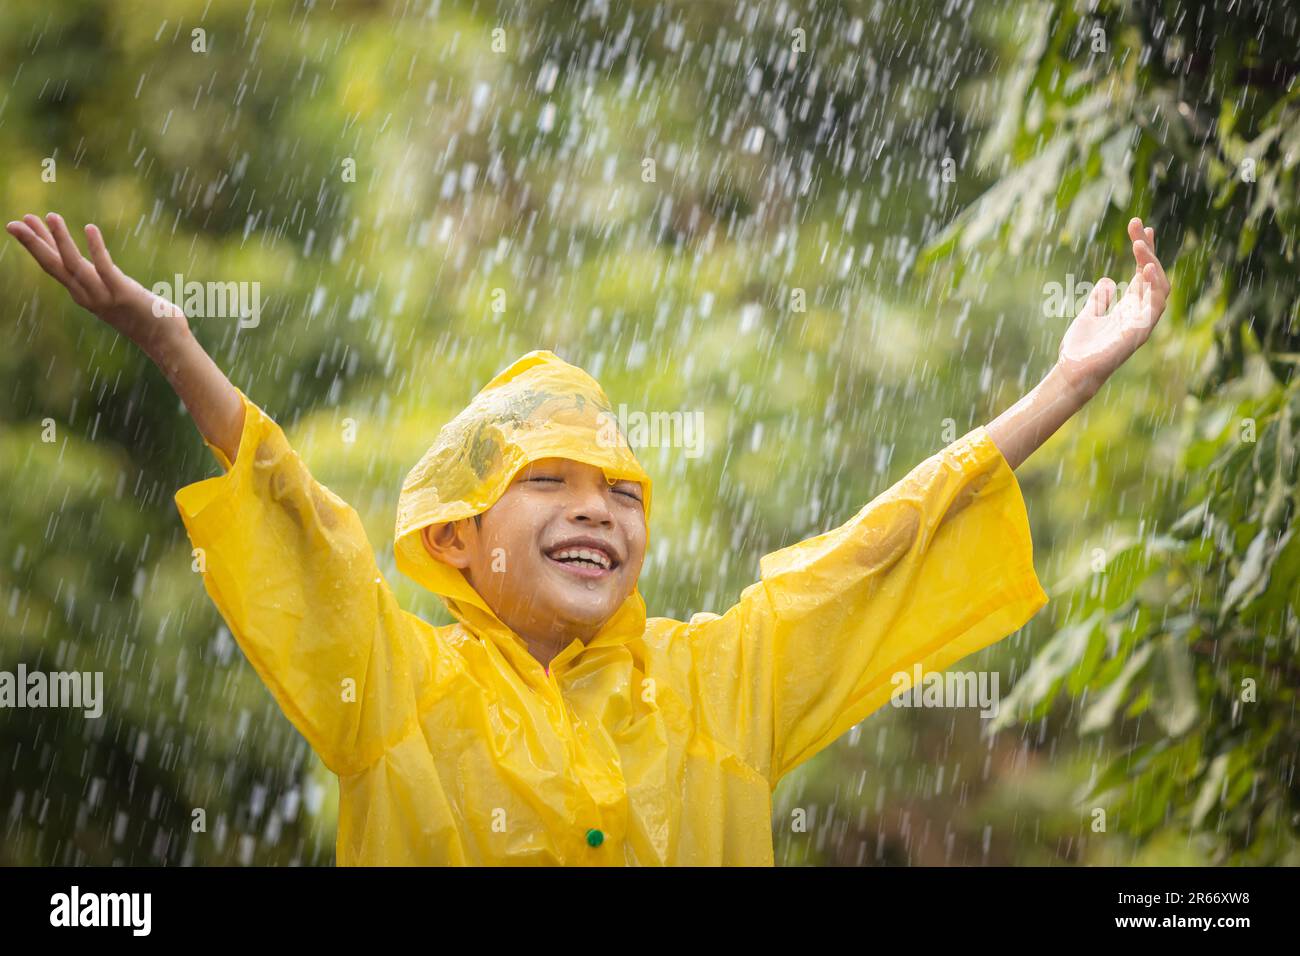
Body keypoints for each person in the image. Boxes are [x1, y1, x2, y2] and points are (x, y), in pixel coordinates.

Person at [5, 212, 1170, 865]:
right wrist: (173, 347)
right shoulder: (395, 686)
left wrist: (1063, 387)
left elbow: (882, 548)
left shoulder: (721, 682)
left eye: (621, 490)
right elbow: (302, 527)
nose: (598, 510)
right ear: (456, 541)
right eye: (547, 479)